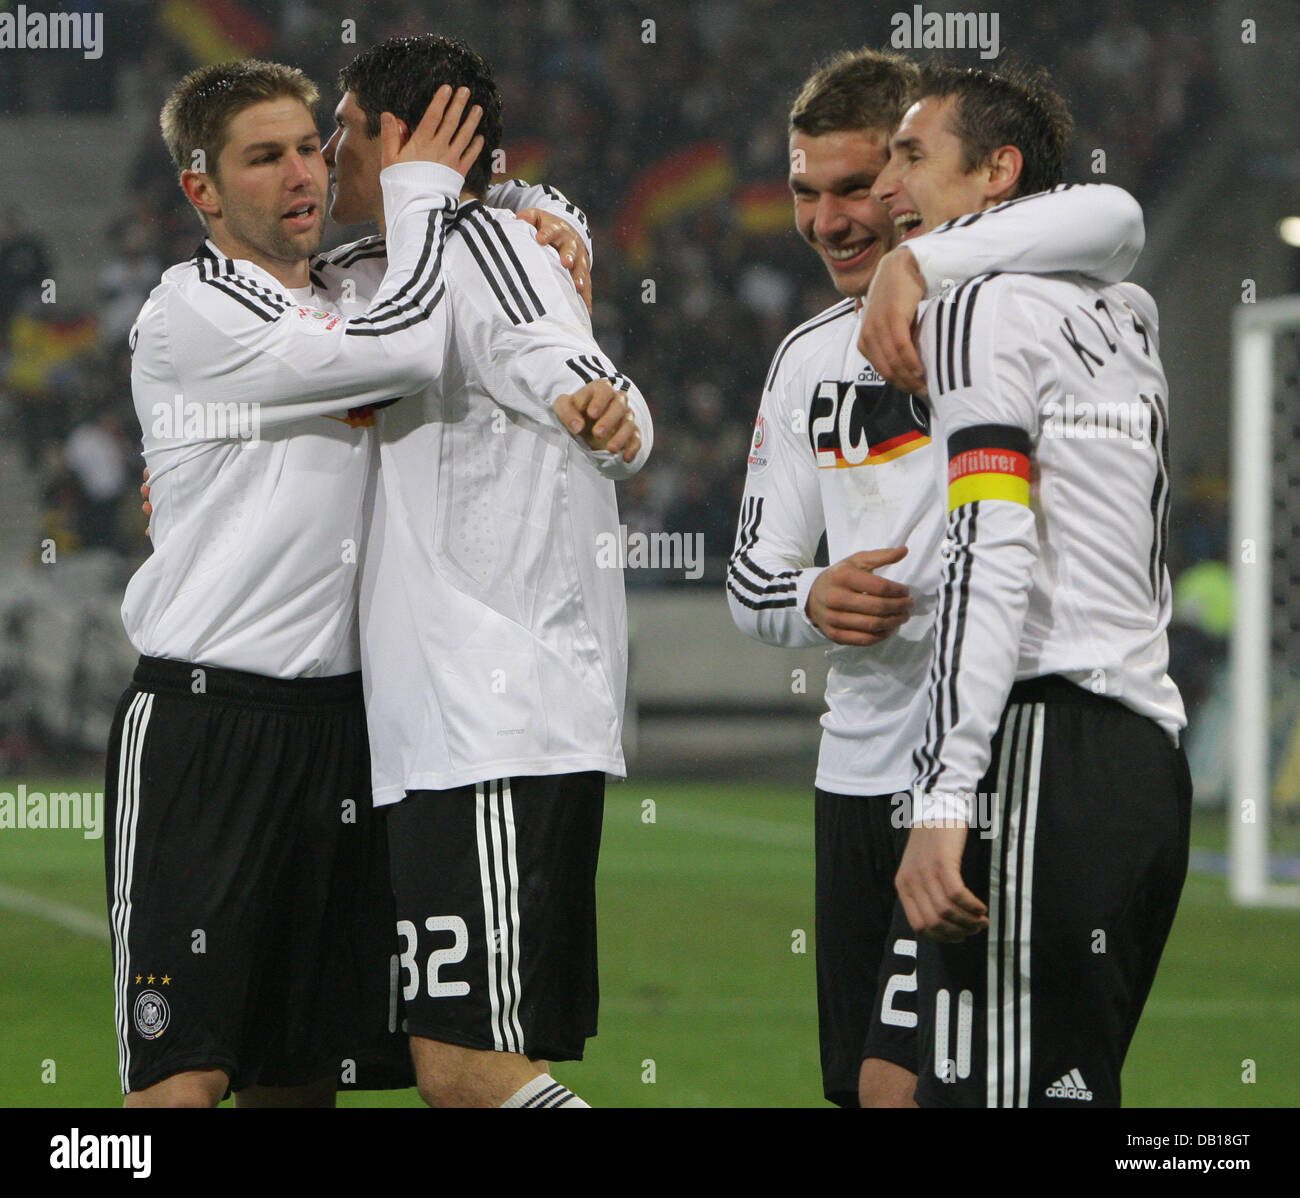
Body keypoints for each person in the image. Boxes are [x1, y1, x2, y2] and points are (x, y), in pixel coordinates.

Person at [108, 57, 594, 1108]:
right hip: (207, 725)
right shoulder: (193, 316)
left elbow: (471, 240)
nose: (302, 175)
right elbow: (414, 346)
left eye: (309, 149)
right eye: (262, 157)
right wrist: (470, 205)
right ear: (201, 189)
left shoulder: (357, 281)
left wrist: (544, 211)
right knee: (179, 1080)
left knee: (304, 1075)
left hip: (347, 732)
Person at [724, 47, 1147, 1108]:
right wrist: (807, 601)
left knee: (920, 1085)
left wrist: (925, 267)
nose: (829, 222)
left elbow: (1108, 213)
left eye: (863, 185)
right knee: (872, 1088)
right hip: (855, 771)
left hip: (989, 754)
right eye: (803, 194)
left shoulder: (1014, 307)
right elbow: (749, 578)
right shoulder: (806, 359)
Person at [313, 34, 652, 1109]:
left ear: (402, 138)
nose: (325, 154)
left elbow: (576, 368)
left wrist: (605, 413)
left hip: (494, 714)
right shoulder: (385, 266)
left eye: (343, 127)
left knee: (467, 1073)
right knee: (449, 1070)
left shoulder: (492, 249)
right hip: (433, 731)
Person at [872, 61, 1190, 1108]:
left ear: (997, 172)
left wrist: (942, 795)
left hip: (1044, 745)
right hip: (1143, 760)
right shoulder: (1124, 317)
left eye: (912, 158)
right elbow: (1112, 220)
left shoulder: (981, 308)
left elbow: (990, 549)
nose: (887, 189)